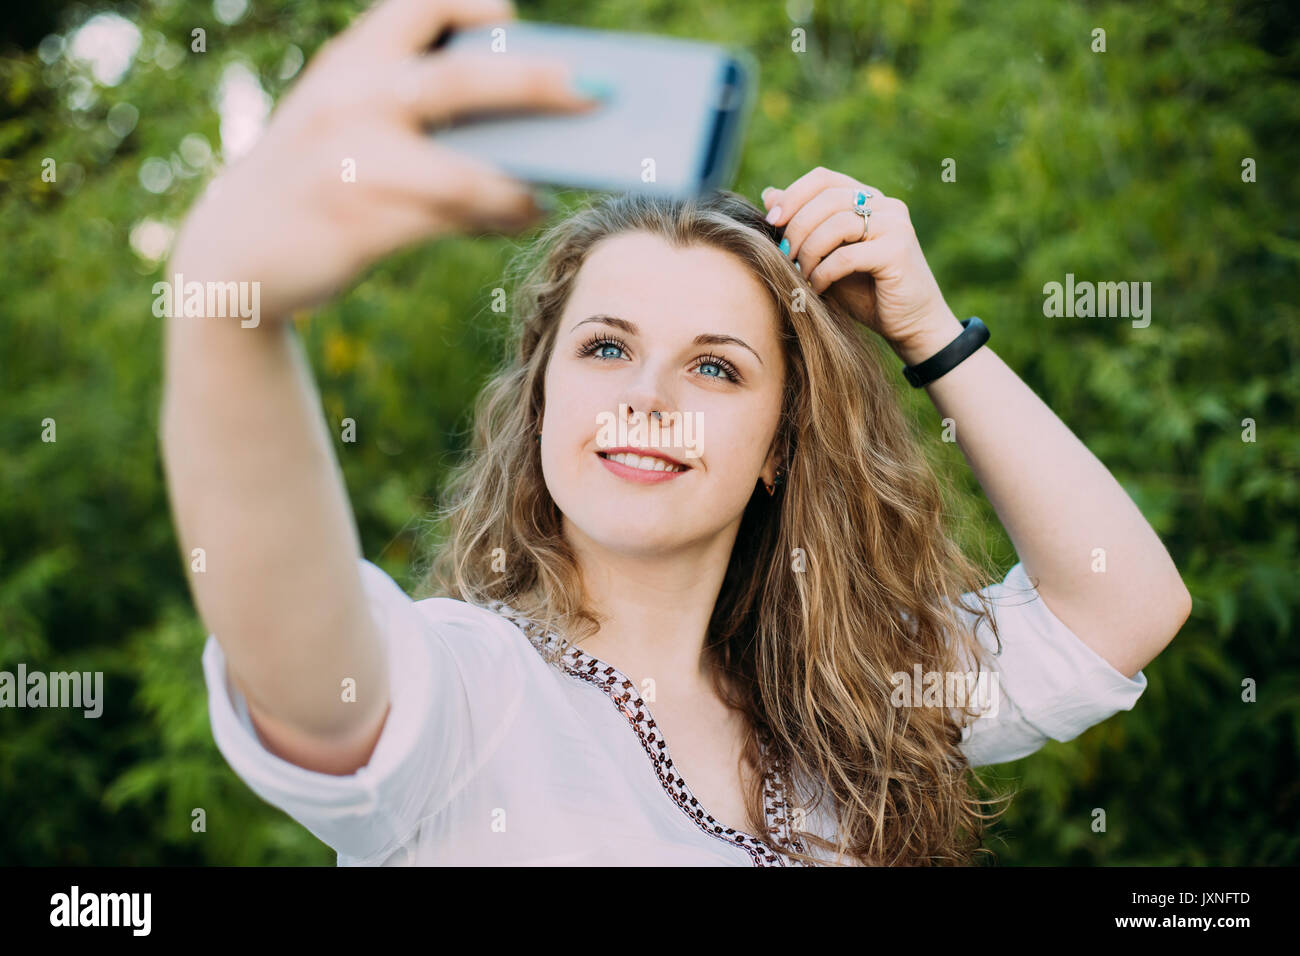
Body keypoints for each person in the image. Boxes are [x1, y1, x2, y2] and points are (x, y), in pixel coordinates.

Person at [160, 0, 1192, 866]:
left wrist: (928, 330)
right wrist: (227, 316)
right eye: (605, 347)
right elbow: (312, 682)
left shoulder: (855, 704)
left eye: (714, 365)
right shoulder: (466, 691)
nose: (646, 394)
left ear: (781, 444)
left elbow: (1120, 603)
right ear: (543, 400)